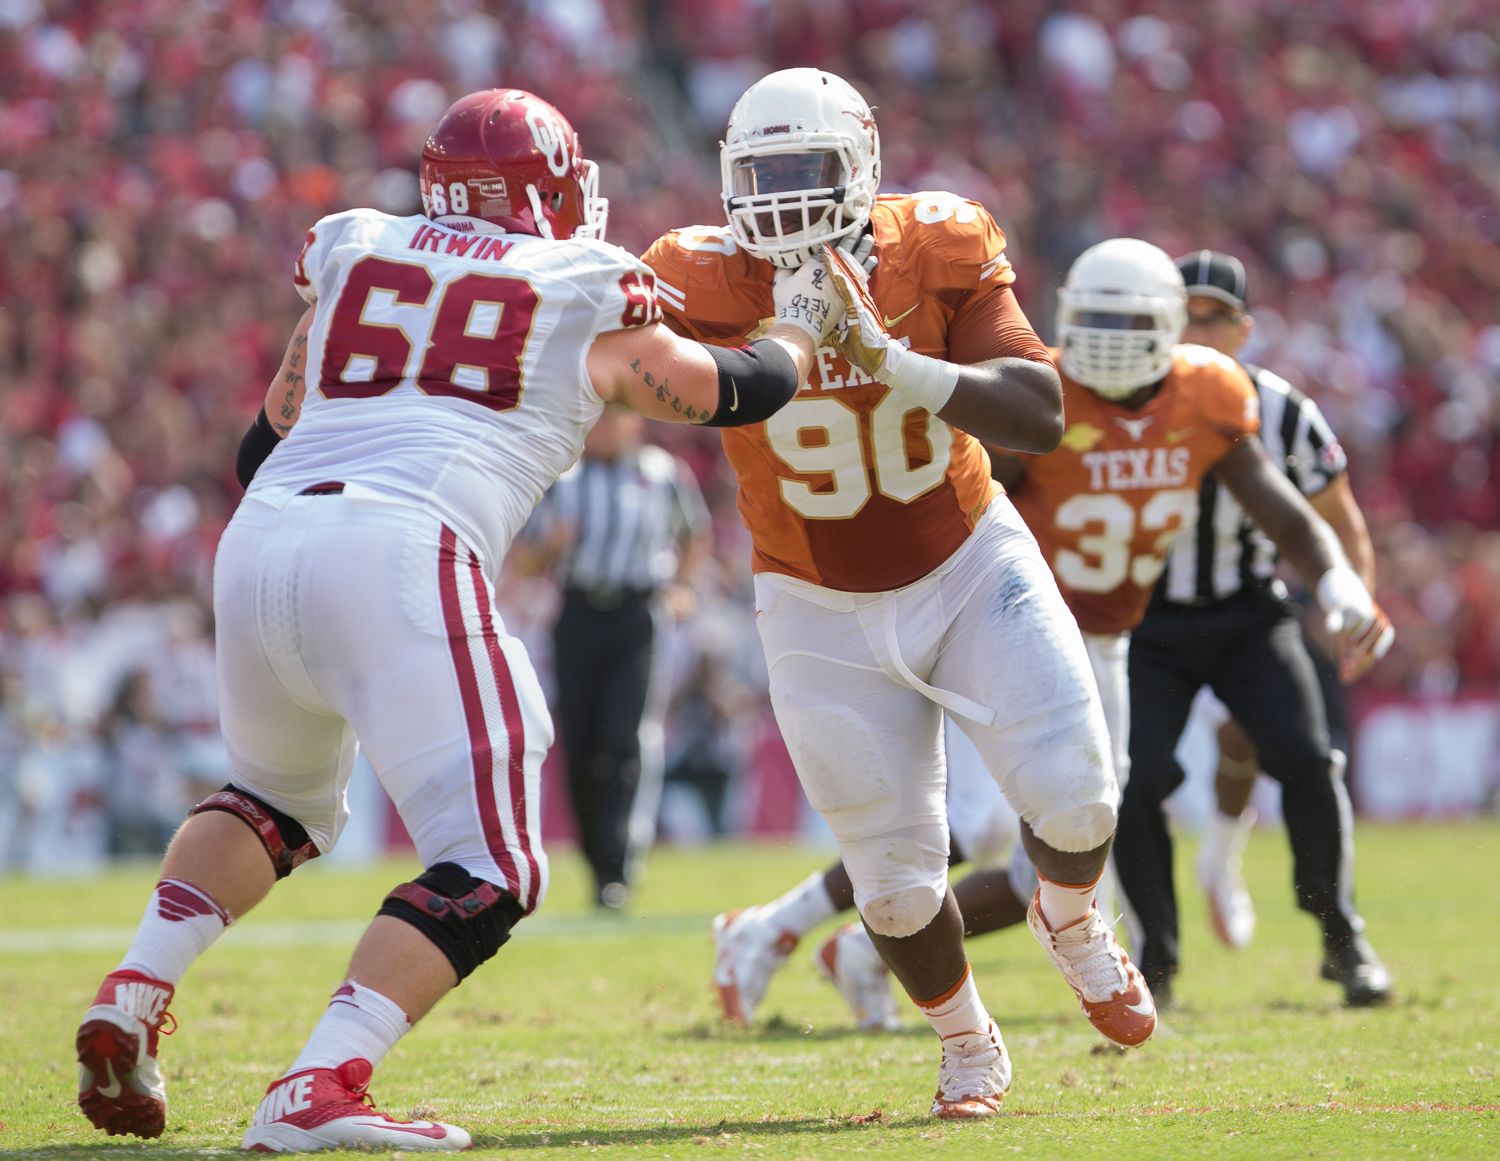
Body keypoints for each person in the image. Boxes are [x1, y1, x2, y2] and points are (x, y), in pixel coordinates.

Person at [73, 87, 841, 1153]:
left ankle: (133, 989)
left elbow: (262, 445)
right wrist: (804, 330)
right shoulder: (578, 287)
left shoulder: (357, 250)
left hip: (262, 537)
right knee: (495, 864)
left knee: (272, 800)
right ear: (548, 190)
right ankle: (317, 1088)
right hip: (400, 546)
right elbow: (731, 391)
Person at [707, 237, 1394, 1033]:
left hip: (1104, 640)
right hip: (1006, 628)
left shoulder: (1208, 393)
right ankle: (787, 930)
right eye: (1095, 319)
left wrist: (1341, 583)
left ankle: (833, 943)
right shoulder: (1041, 393)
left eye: (1129, 320)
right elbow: (974, 503)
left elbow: (1279, 508)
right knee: (984, 821)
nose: (1108, 338)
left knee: (1070, 826)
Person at [644, 67, 1155, 1121]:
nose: (781, 198)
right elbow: (652, 387)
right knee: (893, 878)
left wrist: (891, 359)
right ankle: (968, 1044)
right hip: (813, 598)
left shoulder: (939, 240)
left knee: (1080, 793)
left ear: (865, 167)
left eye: (805, 170)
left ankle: (1069, 917)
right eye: (759, 175)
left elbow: (1041, 411)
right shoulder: (690, 273)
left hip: (967, 559)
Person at [1120, 250, 1392, 1006]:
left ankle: (1343, 939)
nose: (1197, 331)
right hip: (1147, 617)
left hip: (1249, 608)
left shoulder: (1283, 410)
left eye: (1213, 317)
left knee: (1309, 759)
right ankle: (1157, 962)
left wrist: (1356, 603)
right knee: (1129, 779)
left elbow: (1342, 521)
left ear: (1243, 329)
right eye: (1186, 315)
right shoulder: (1121, 399)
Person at [515, 404, 710, 910]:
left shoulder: (663, 475)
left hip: (636, 614)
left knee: (624, 739)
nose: (601, 430)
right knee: (581, 743)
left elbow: (694, 534)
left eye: (612, 419)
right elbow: (527, 560)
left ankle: (619, 866)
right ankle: (595, 861)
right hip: (578, 612)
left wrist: (683, 587)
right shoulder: (565, 480)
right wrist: (552, 548)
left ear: (634, 422)